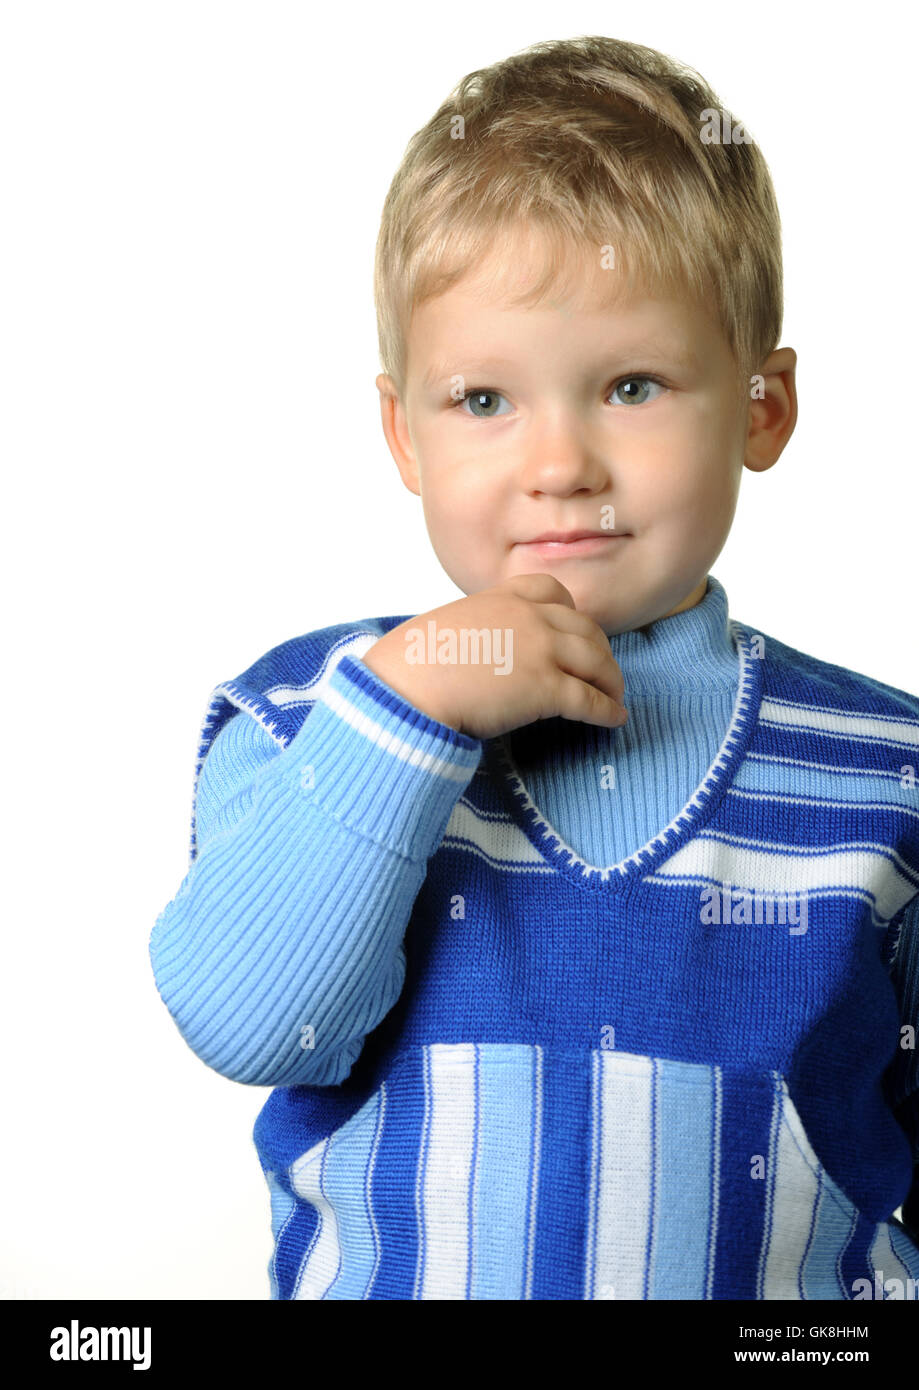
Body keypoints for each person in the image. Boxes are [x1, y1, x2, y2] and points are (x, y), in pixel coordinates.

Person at [149, 34, 919, 1300]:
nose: (558, 462)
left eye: (630, 384)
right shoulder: (306, 721)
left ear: (761, 406)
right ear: (403, 431)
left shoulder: (883, 772)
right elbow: (245, 1022)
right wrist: (409, 707)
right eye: (483, 401)